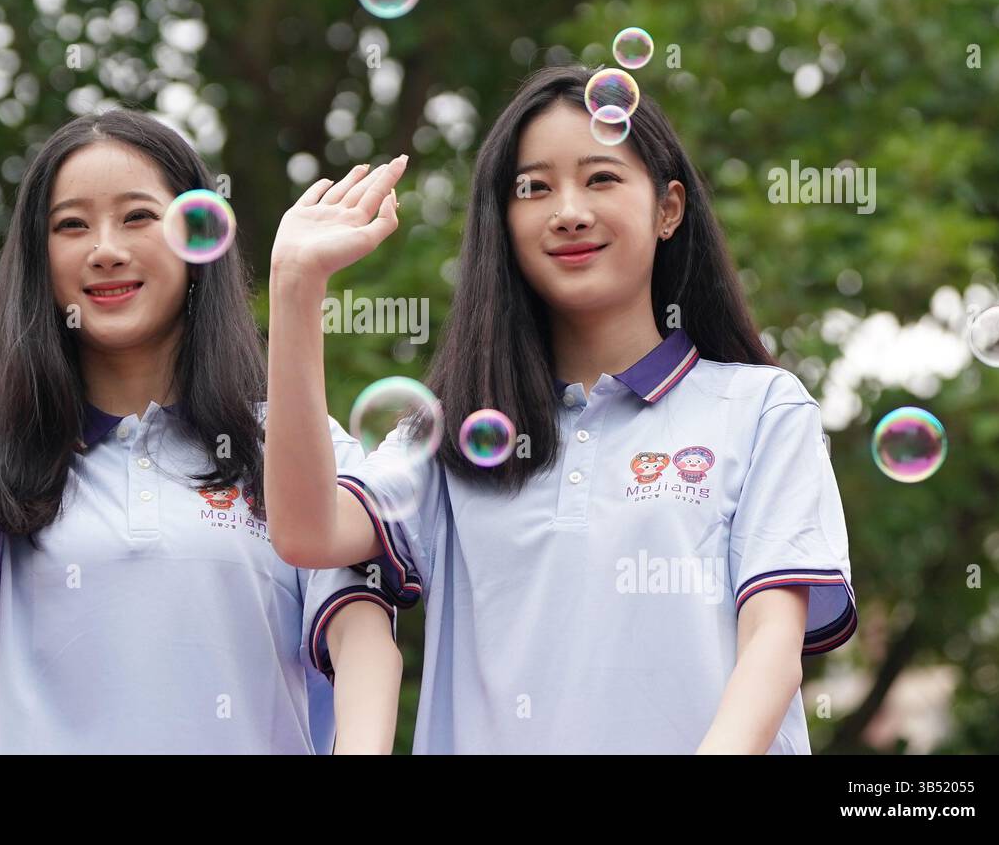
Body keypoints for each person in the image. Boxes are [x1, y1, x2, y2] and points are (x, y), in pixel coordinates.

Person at [264, 65, 856, 753]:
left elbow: (772, 649)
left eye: (601, 178)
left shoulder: (760, 408)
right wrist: (296, 287)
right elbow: (307, 532)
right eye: (534, 187)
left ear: (668, 208)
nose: (567, 210)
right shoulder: (451, 431)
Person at [0, 109, 401, 753]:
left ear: (197, 240)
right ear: (40, 260)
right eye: (71, 225)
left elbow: (362, 641)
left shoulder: (289, 449)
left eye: (137, 216)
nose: (105, 249)